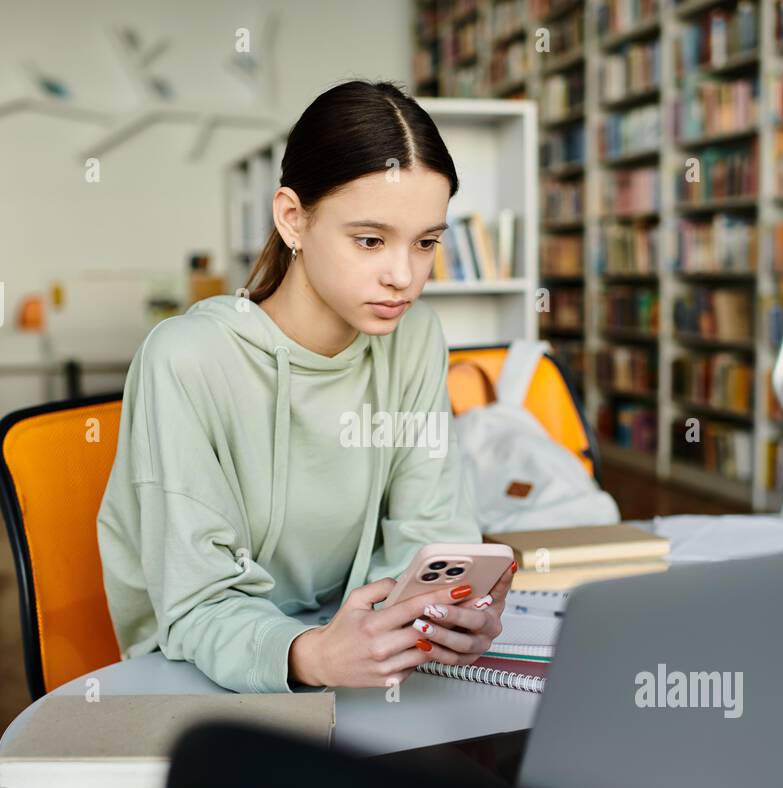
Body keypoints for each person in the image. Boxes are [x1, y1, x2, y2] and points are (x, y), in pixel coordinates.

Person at [96, 79, 517, 693]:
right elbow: (195, 603)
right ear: (293, 218)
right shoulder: (185, 359)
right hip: (201, 677)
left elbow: (430, 532)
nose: (403, 276)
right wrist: (313, 655)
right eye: (370, 240)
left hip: (361, 669)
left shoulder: (415, 337)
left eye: (426, 243)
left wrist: (445, 610)